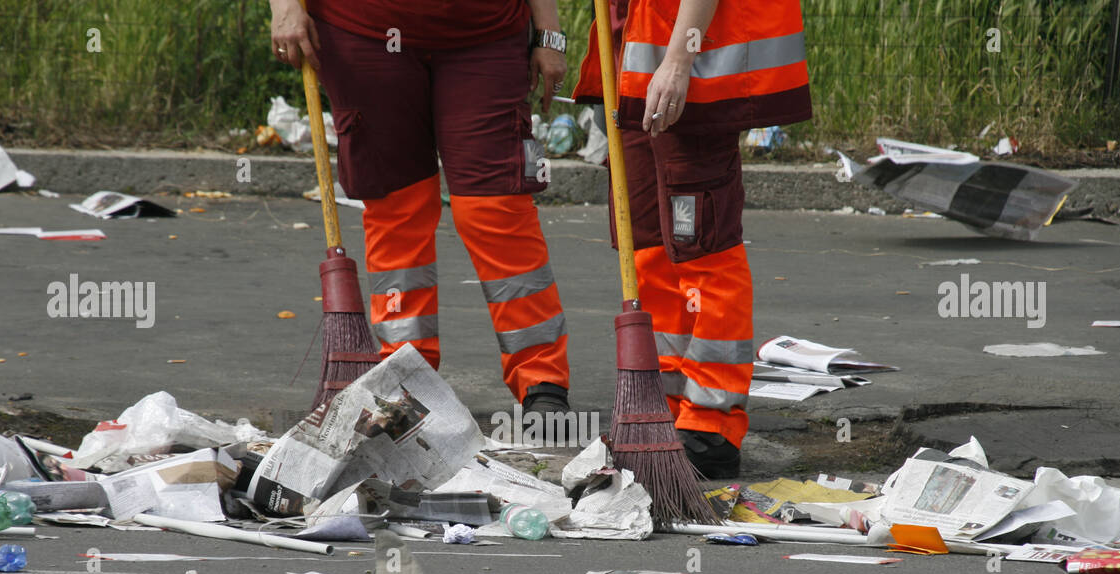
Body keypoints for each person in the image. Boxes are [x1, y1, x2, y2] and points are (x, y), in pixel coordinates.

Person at [269, 0, 574, 421]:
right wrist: (285, 7)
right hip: (363, 29)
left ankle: (541, 378)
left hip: (485, 33)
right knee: (396, 208)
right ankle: (405, 375)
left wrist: (549, 33)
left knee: (497, 208)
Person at [574, 0, 812, 477]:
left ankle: (711, 425)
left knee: (703, 250)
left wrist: (681, 58)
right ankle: (665, 409)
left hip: (686, 73)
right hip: (635, 69)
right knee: (651, 250)